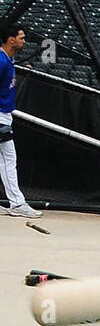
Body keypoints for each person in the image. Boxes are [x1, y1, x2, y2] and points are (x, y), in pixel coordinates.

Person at [0, 24, 42, 218]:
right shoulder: (1, 61)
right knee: (9, 159)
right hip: (0, 115)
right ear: (11, 40)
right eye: (21, 37)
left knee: (5, 160)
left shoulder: (7, 59)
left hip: (4, 113)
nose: (24, 41)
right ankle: (17, 203)